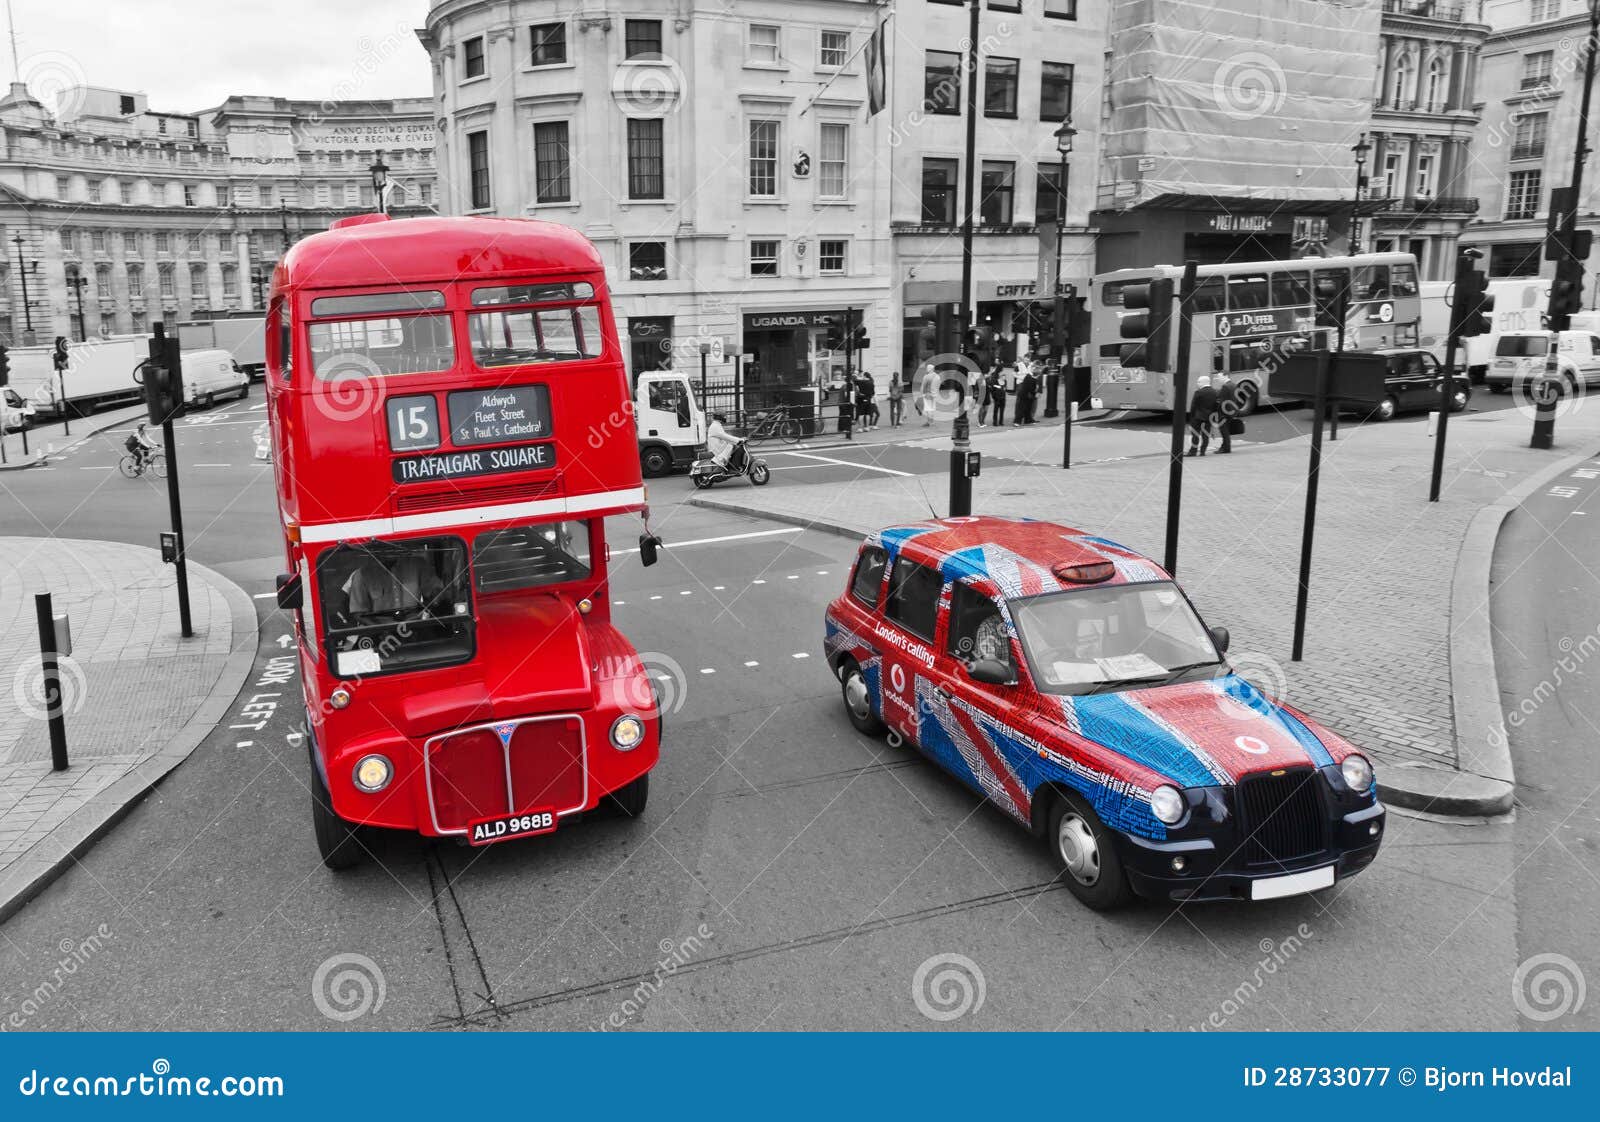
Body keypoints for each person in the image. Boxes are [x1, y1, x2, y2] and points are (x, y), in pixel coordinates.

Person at [1187, 375, 1219, 456]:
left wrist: (1191, 417)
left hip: (1197, 417)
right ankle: (1202, 451)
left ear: (1204, 382)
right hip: (1209, 418)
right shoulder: (1215, 392)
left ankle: (1193, 451)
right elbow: (1216, 406)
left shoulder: (1198, 392)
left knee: (1195, 435)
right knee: (1206, 435)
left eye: (1199, 382)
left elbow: (1193, 406)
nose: (1197, 383)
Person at [1213, 372, 1242, 454]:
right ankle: (1224, 447)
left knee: (1224, 431)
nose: (1218, 379)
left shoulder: (1225, 387)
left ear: (1225, 376)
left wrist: (1217, 411)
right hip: (1232, 411)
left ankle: (1226, 448)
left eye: (1219, 377)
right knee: (1226, 431)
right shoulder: (1234, 385)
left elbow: (1222, 402)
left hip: (1224, 413)